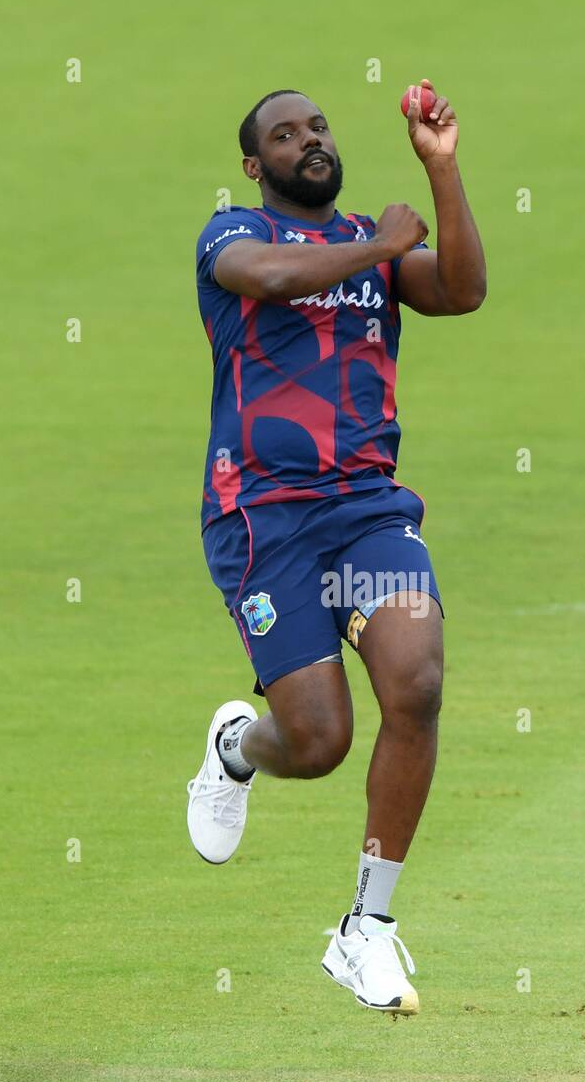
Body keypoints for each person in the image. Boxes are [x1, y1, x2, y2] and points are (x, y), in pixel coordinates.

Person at [187, 81, 485, 1014]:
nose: (307, 141)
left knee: (419, 683)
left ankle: (368, 927)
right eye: (284, 134)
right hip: (262, 517)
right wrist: (386, 246)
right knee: (316, 743)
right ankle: (239, 746)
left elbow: (463, 291)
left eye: (315, 127)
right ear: (254, 165)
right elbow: (272, 280)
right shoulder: (230, 235)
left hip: (365, 508)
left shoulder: (372, 243)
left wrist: (442, 172)